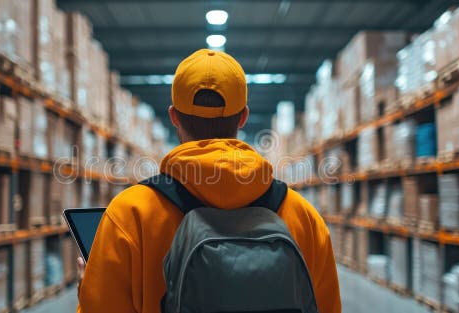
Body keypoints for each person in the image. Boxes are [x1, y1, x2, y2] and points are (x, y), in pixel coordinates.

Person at [76, 49, 341, 312]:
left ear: (174, 116)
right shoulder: (303, 218)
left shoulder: (129, 214)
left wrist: (88, 292)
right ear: (244, 116)